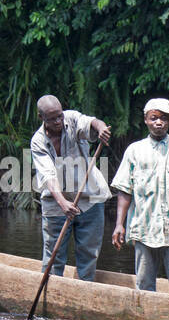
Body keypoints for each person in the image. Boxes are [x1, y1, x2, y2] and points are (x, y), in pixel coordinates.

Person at [110, 98, 169, 295]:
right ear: (146, 120)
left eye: (164, 118)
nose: (159, 122)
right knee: (144, 287)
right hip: (144, 229)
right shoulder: (134, 151)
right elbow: (125, 191)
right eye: (154, 118)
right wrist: (119, 224)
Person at [30, 95, 112, 280]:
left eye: (59, 115)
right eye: (52, 118)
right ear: (41, 117)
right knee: (54, 255)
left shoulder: (72, 119)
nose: (58, 121)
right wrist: (62, 203)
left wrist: (101, 129)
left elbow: (90, 122)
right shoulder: (38, 141)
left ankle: (84, 291)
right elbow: (48, 175)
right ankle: (50, 295)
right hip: (56, 203)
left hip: (90, 197)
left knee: (89, 254)